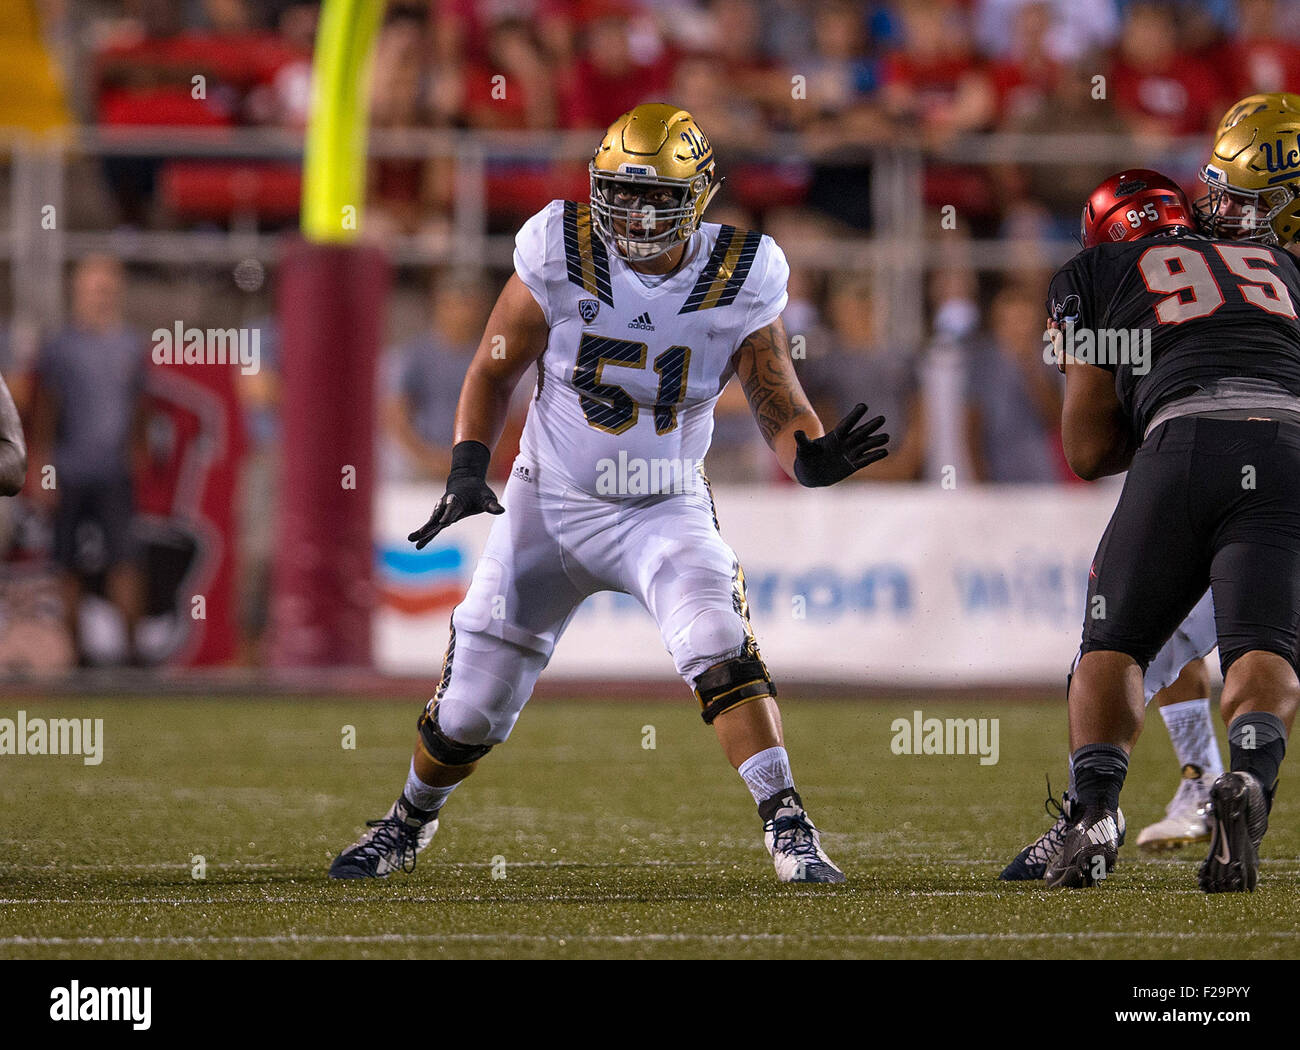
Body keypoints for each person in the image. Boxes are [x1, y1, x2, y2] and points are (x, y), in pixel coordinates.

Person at [330, 103, 889, 884]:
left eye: (656, 196)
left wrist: (809, 456)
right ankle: (406, 824)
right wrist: (467, 465)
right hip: (548, 502)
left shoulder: (741, 271)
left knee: (718, 644)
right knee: (468, 712)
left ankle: (789, 825)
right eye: (621, 193)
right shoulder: (558, 249)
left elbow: (776, 396)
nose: (635, 212)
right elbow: (493, 366)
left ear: (697, 196)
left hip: (663, 507)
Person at [1039, 165, 1300, 893]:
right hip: (1288, 444)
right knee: (1264, 647)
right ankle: (1247, 775)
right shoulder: (1277, 261)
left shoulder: (1092, 271)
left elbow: (1088, 451)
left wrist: (1143, 417)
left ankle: (1092, 814)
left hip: (1183, 442)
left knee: (1114, 645)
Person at [31, 256, 148, 667]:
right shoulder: (61, 347)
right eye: (95, 287)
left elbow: (139, 404)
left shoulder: (130, 344)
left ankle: (132, 655)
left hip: (113, 471)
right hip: (69, 468)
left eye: (108, 287)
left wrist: (137, 449)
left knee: (125, 559)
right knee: (66, 561)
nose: (102, 295)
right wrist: (42, 468)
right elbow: (45, 409)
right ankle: (76, 655)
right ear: (78, 291)